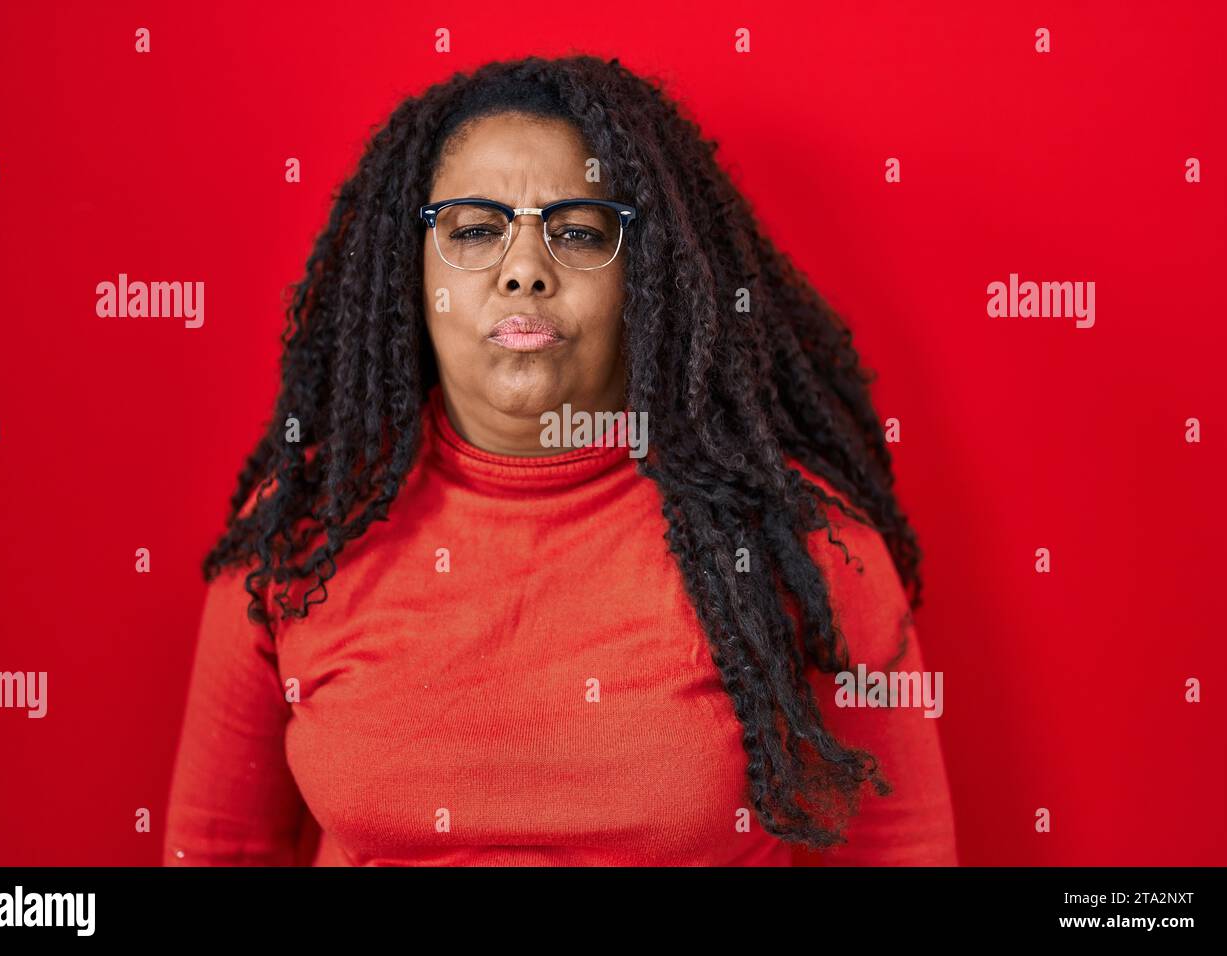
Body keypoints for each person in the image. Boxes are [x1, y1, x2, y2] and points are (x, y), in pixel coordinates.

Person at [162, 54, 958, 866]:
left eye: (578, 232)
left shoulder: (801, 542)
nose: (524, 270)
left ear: (648, 278)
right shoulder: (303, 529)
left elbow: (899, 849)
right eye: (473, 230)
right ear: (410, 270)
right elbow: (218, 844)